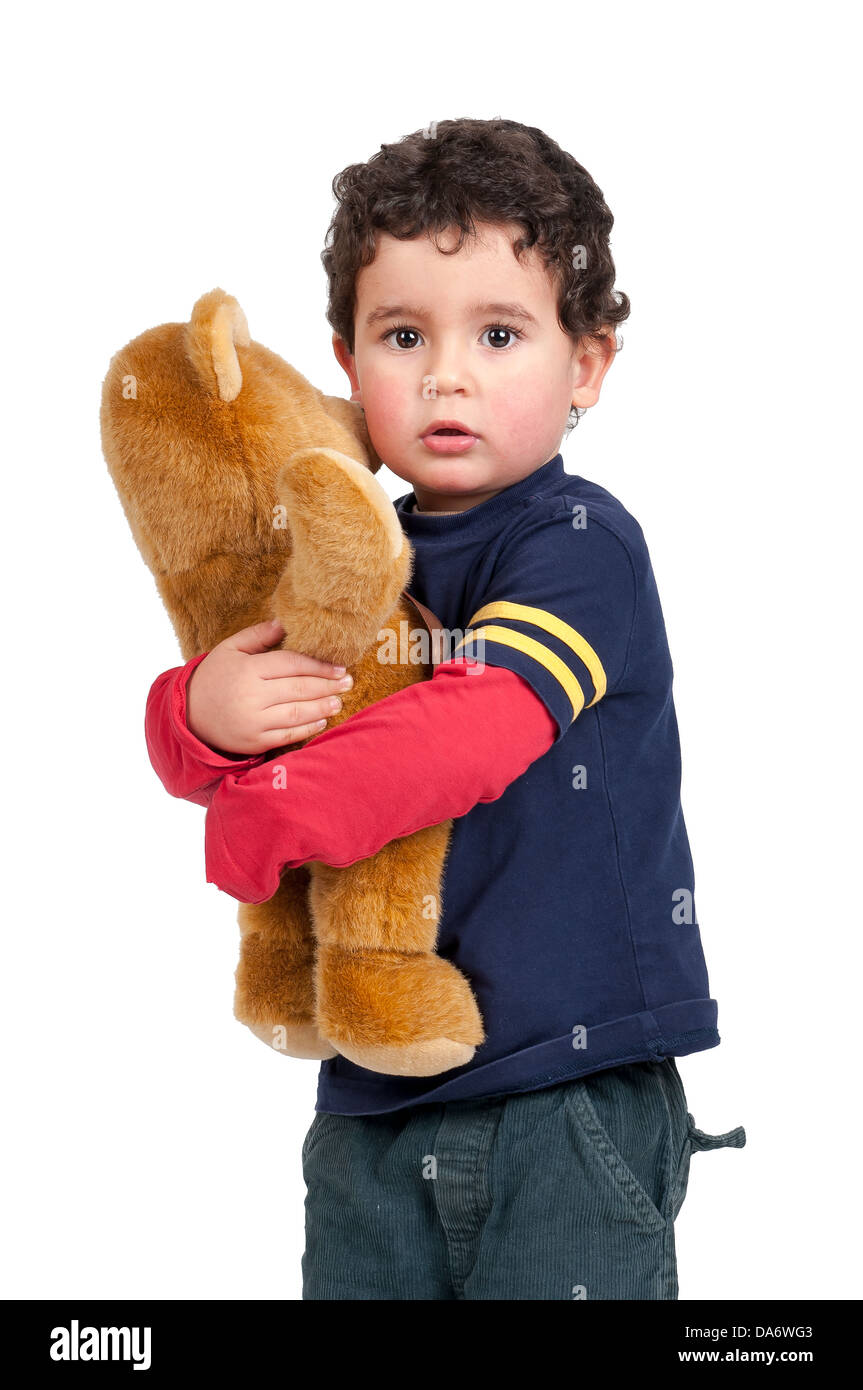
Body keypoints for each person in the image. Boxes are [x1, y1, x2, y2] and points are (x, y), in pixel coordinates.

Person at [144, 118, 745, 1300]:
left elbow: (474, 730)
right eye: (403, 335)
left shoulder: (578, 547)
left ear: (586, 366)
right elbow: (238, 692)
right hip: (371, 1103)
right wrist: (202, 714)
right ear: (344, 359)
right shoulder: (338, 549)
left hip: (563, 1100)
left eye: (500, 334)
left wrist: (273, 804)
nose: (445, 375)